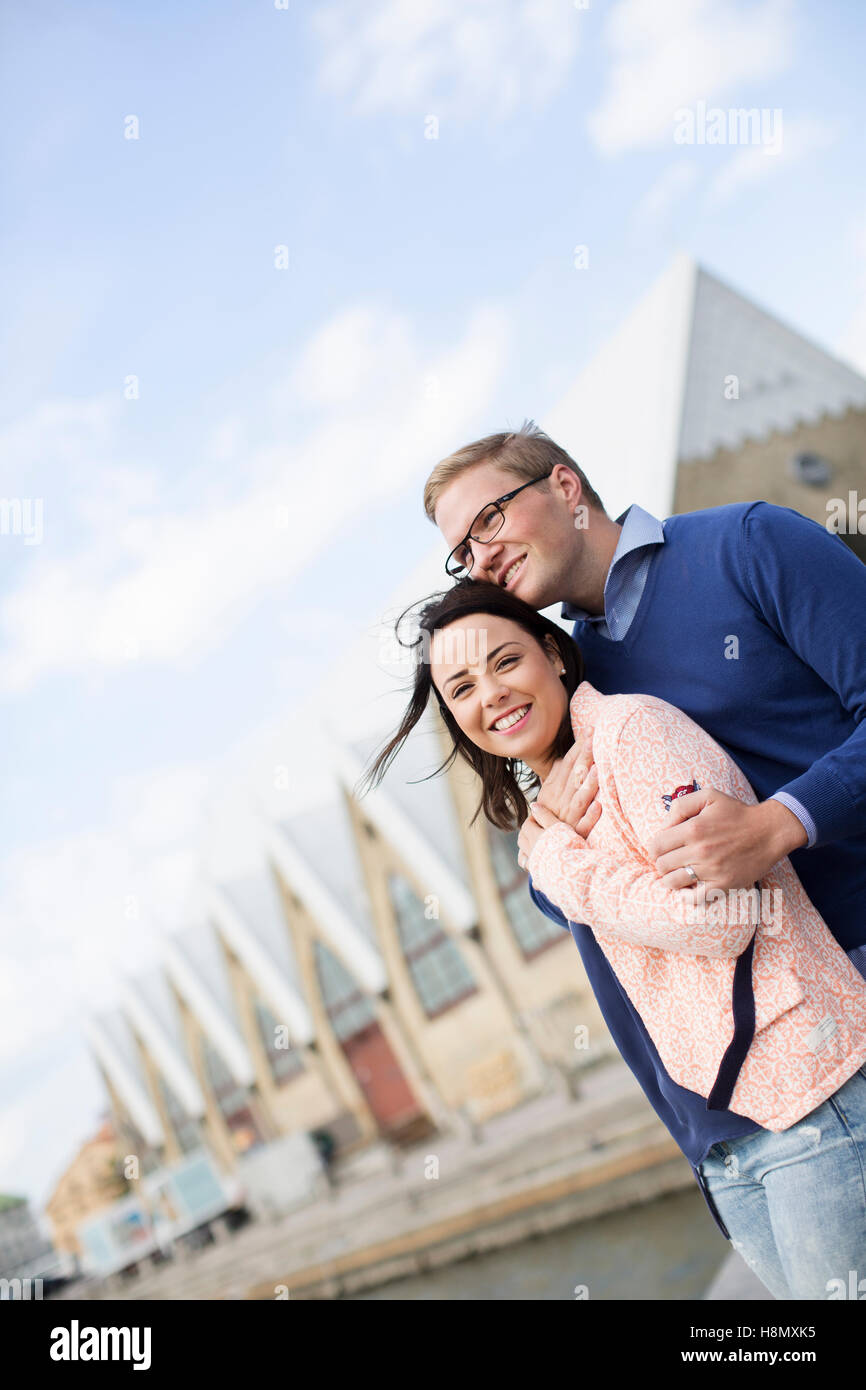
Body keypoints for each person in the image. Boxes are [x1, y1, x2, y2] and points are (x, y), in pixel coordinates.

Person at [415, 420, 866, 1299]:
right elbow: (593, 887)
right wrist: (545, 850)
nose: (480, 554)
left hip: (839, 1019)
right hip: (746, 1081)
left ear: (567, 488)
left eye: (491, 518)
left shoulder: (748, 544)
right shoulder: (567, 685)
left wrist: (781, 822)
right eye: (460, 550)